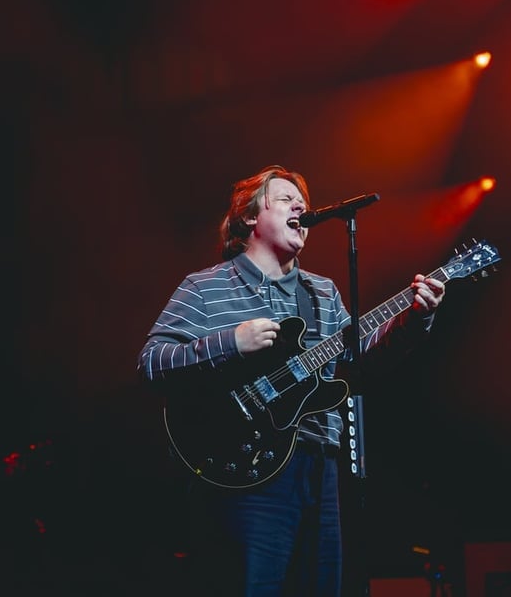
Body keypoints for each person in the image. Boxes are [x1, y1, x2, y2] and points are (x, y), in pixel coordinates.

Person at [137, 164, 445, 596]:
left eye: (303, 203)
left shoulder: (322, 293)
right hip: (245, 467)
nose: (301, 207)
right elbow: (152, 362)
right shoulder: (205, 287)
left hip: (319, 465)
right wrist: (231, 342)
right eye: (285, 199)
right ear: (249, 217)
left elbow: (361, 361)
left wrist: (415, 319)